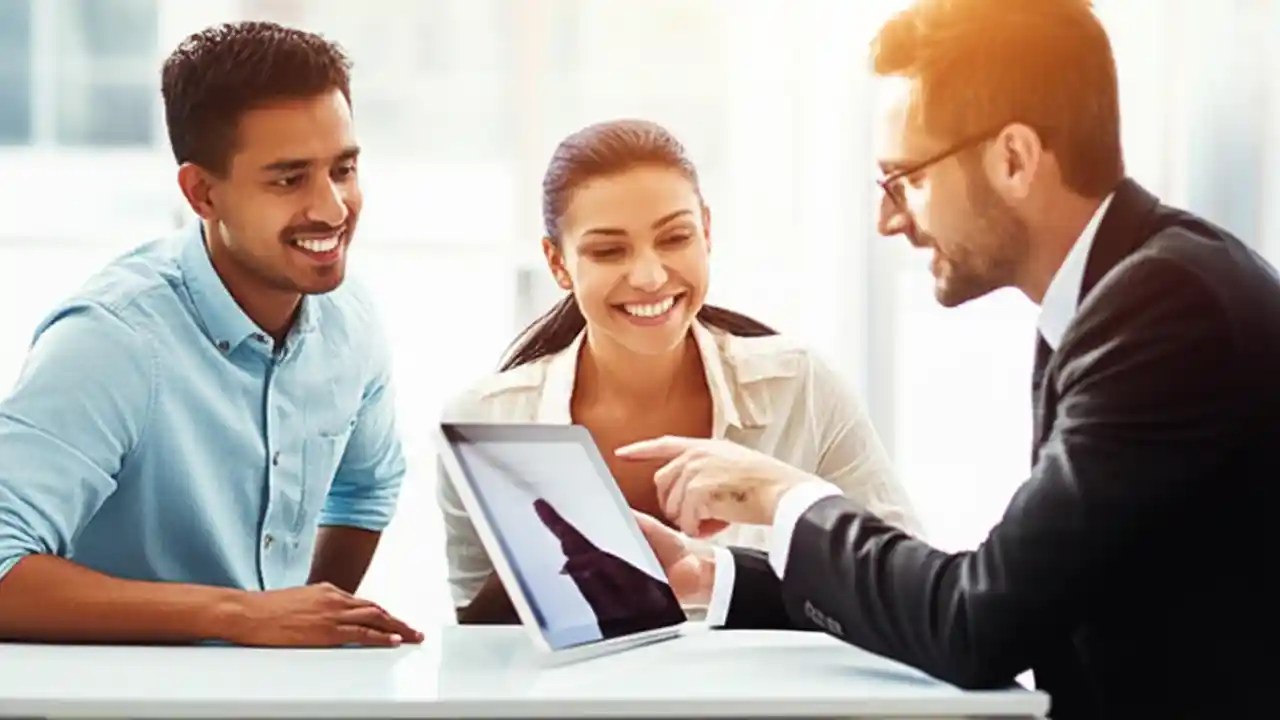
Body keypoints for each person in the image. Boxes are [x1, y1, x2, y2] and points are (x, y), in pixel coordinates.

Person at [618, 0, 1275, 717]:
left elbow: (979, 625)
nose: (888, 218)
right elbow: (1019, 590)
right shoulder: (1127, 290)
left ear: (1014, 160)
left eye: (907, 179)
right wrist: (711, 575)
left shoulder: (1164, 308)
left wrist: (783, 498)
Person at [0, 21, 422, 648]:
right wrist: (240, 617)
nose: (333, 208)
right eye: (288, 178)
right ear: (203, 193)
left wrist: (304, 634)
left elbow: (368, 487)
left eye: (344, 168)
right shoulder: (112, 340)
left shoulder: (350, 321)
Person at [438, 119, 921, 623]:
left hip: (773, 702)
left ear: (706, 232)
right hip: (577, 703)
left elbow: (906, 590)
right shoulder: (485, 423)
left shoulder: (800, 388)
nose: (649, 276)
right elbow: (480, 650)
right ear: (558, 262)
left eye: (674, 238)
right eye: (608, 251)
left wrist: (769, 511)